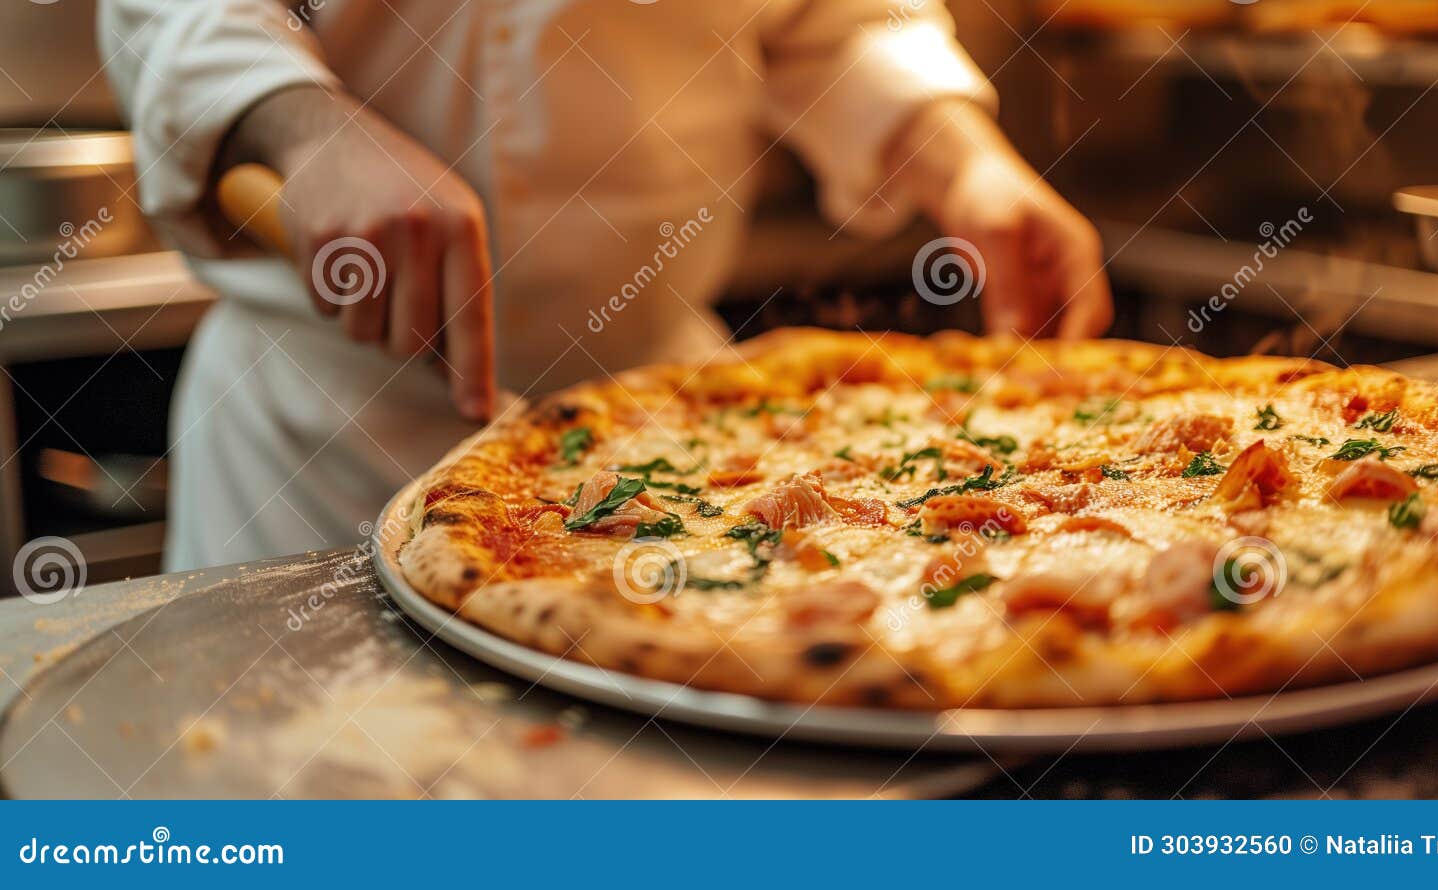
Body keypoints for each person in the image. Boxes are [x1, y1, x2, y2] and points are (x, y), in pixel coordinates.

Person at [99, 0, 1113, 571]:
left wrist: (961, 159)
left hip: (687, 444)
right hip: (320, 437)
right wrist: (299, 118)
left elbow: (832, 21)